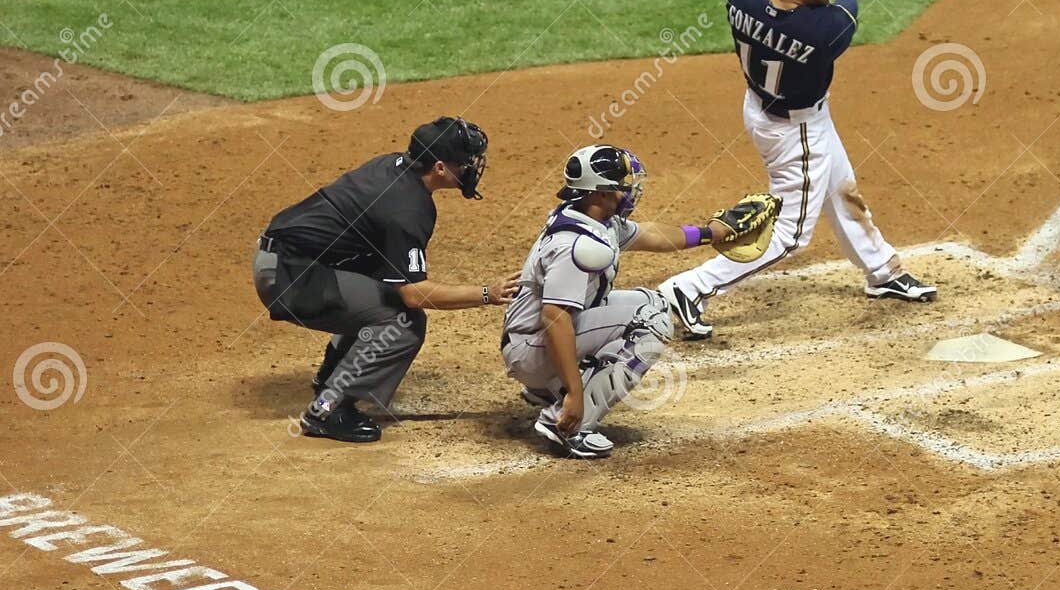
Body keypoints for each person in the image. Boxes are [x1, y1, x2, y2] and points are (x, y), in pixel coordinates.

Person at [658, 0, 934, 341]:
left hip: (760, 108)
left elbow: (794, 7)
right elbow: (844, 13)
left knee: (840, 187)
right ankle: (689, 288)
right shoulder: (821, 34)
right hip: (796, 133)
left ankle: (881, 270)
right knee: (790, 235)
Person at [252, 116, 520, 443]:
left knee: (380, 277)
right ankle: (327, 409)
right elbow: (413, 294)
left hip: (288, 259)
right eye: (463, 162)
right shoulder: (407, 209)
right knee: (403, 321)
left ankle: (332, 376)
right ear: (438, 167)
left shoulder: (394, 166)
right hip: (289, 276)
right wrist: (485, 293)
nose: (469, 169)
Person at [502, 144, 751, 459]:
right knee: (651, 321)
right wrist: (576, 392)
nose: (631, 192)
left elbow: (652, 235)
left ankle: (548, 387)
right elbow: (556, 318)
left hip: (532, 340)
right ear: (600, 193)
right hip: (532, 348)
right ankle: (567, 424)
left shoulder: (592, 218)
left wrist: (711, 233)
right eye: (622, 187)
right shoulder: (575, 245)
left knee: (655, 303)